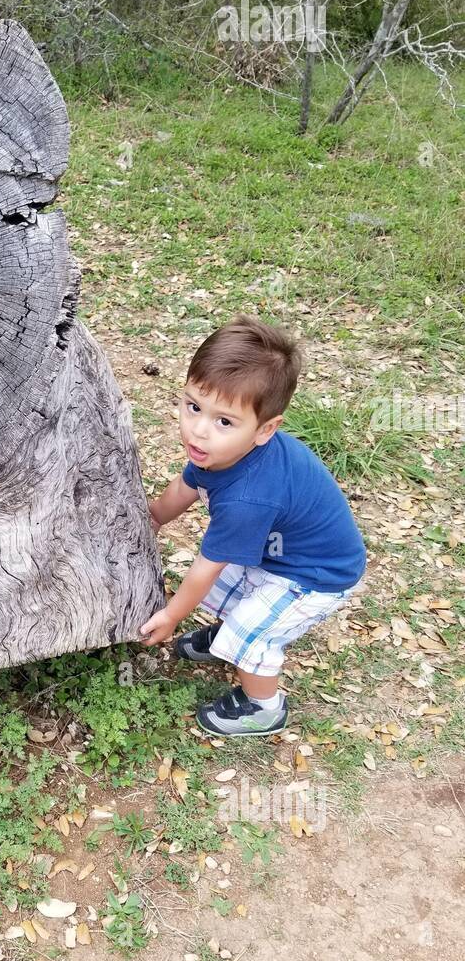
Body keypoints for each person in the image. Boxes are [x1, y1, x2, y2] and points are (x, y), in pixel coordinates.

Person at [140, 315, 366, 737]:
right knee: (232, 589)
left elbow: (206, 566)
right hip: (277, 550)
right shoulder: (221, 450)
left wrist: (171, 615)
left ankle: (264, 706)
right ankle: (229, 635)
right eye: (193, 406)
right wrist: (154, 515)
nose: (199, 430)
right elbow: (186, 485)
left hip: (314, 574)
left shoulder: (249, 498)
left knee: (253, 633)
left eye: (224, 420)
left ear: (265, 430)